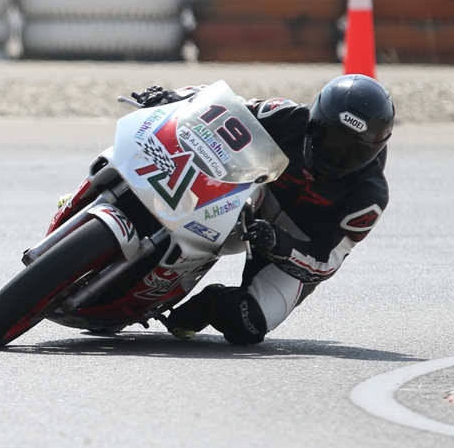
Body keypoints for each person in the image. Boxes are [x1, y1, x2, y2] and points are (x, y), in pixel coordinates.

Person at [150, 73, 393, 345]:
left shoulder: (369, 197)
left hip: (293, 245)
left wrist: (282, 245)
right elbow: (228, 105)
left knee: (248, 325)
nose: (336, 157)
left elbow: (327, 261)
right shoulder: (288, 116)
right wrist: (175, 99)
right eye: (330, 139)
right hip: (254, 197)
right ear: (314, 121)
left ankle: (211, 301)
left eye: (354, 151)